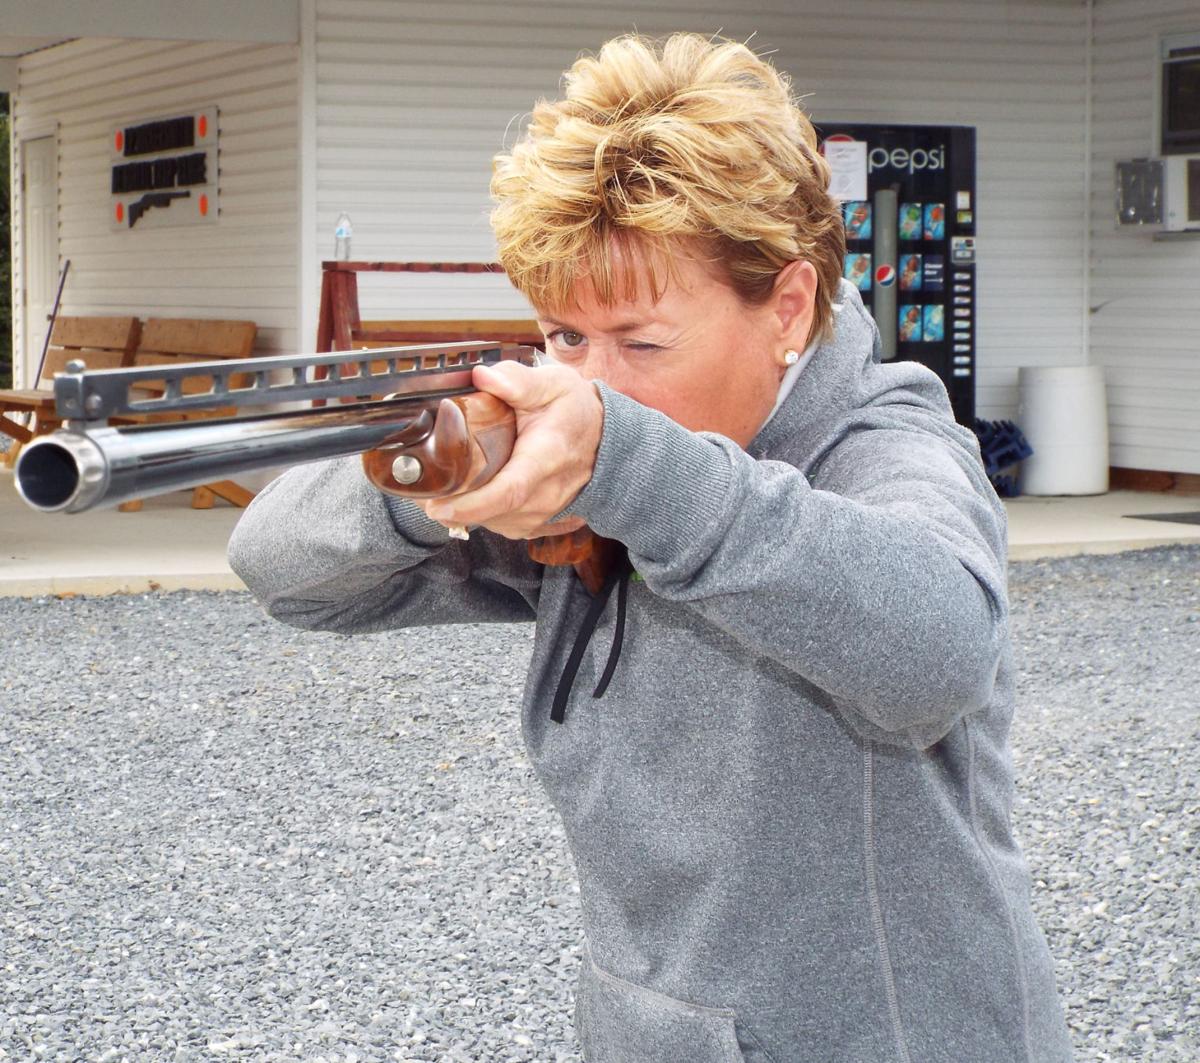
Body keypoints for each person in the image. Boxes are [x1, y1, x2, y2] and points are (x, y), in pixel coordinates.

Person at [229, 32, 1074, 1063]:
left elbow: (936, 649)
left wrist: (632, 468)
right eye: (566, 338)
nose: (595, 382)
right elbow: (279, 568)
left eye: (642, 343)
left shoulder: (887, 444)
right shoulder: (582, 479)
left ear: (789, 308)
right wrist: (433, 485)